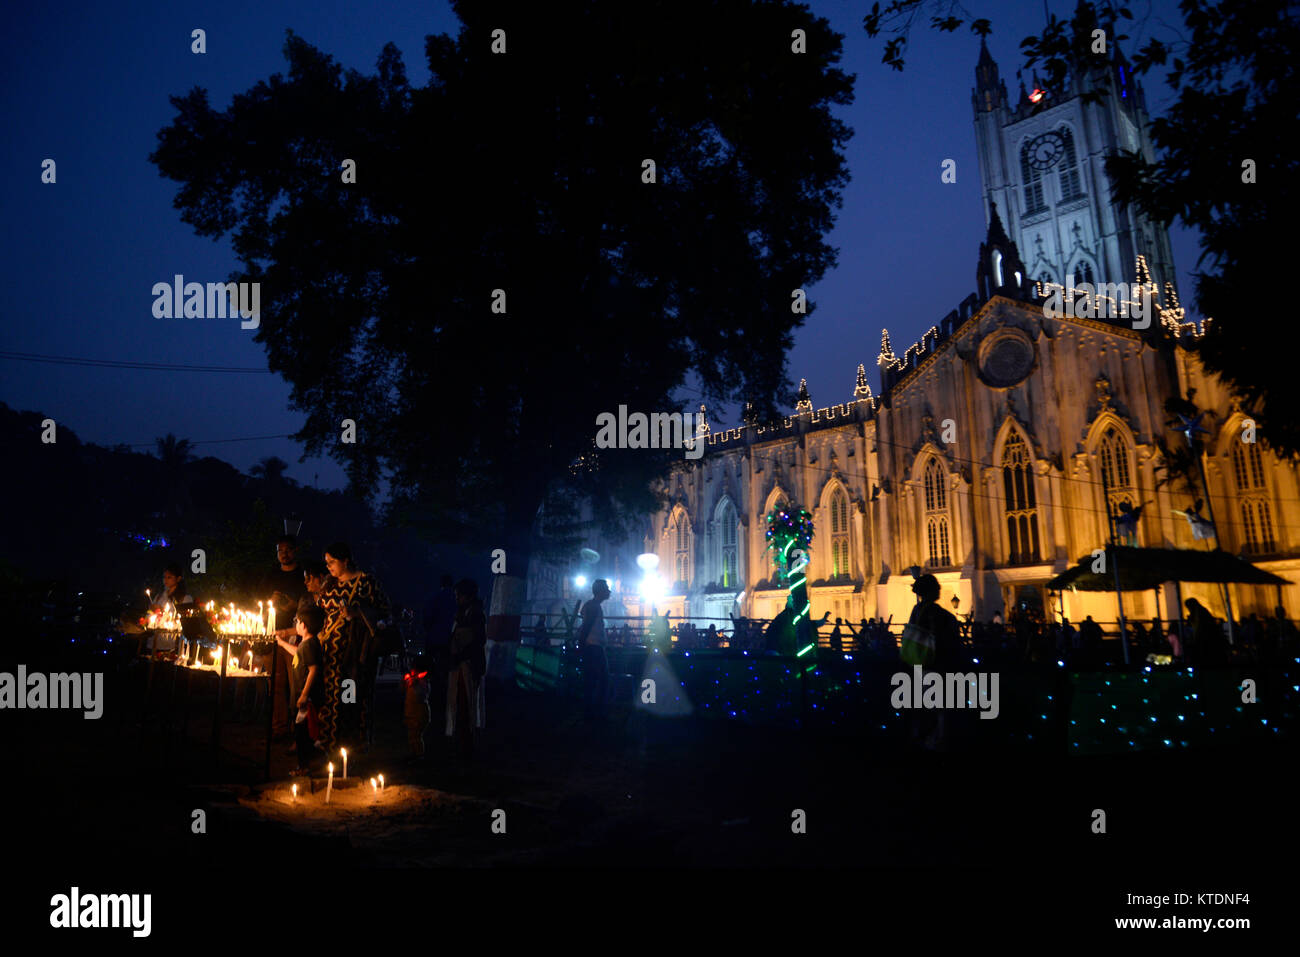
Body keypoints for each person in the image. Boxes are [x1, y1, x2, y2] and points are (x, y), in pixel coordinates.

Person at [317, 543, 393, 752]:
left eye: (332, 562)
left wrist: (358, 612)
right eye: (327, 563)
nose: (329, 566)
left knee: (351, 694)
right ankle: (330, 739)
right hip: (331, 654)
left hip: (355, 654)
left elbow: (385, 613)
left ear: (345, 561)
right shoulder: (329, 584)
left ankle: (353, 742)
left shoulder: (366, 583)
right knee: (332, 695)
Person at [903, 574, 962, 750]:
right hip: (934, 665)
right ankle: (937, 742)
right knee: (940, 706)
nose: (939, 588)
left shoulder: (917, 609)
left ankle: (923, 738)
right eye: (936, 586)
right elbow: (944, 639)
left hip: (919, 664)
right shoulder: (935, 613)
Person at [260, 535, 307, 740]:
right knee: (275, 683)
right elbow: (260, 601)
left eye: (287, 550)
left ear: (295, 550)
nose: (283, 554)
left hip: (295, 636)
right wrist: (271, 601)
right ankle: (278, 727)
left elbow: (308, 601)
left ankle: (298, 728)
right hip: (273, 635)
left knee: (296, 684)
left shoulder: (303, 576)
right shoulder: (270, 575)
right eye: (280, 550)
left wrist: (293, 606)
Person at [278, 605, 325, 777]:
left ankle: (304, 766)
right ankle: (306, 762)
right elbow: (298, 653)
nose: (296, 625)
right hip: (302, 697)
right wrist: (282, 644)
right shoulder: (307, 644)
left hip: (306, 700)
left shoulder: (310, 645)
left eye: (297, 622)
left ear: (303, 626)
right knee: (302, 733)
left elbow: (313, 669)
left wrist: (305, 694)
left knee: (302, 735)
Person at [446, 579, 487, 762]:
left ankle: (467, 746)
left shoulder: (475, 614)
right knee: (460, 704)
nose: (456, 599)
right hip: (461, 665)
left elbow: (476, 639)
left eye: (459, 595)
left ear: (467, 596)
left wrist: (460, 653)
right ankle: (461, 742)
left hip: (469, 666)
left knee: (467, 705)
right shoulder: (463, 613)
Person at [422, 574, 457, 739]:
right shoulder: (455, 599)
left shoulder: (435, 597)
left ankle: (430, 695)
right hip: (448, 640)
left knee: (431, 670)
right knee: (445, 669)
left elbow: (427, 617)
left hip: (434, 638)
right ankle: (444, 695)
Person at [576, 579, 611, 722]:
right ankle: (595, 712)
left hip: (593, 647)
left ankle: (591, 711)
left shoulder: (593, 606)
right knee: (601, 680)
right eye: (606, 588)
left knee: (592, 680)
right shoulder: (594, 607)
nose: (609, 591)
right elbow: (587, 627)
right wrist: (581, 645)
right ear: (601, 591)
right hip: (594, 647)